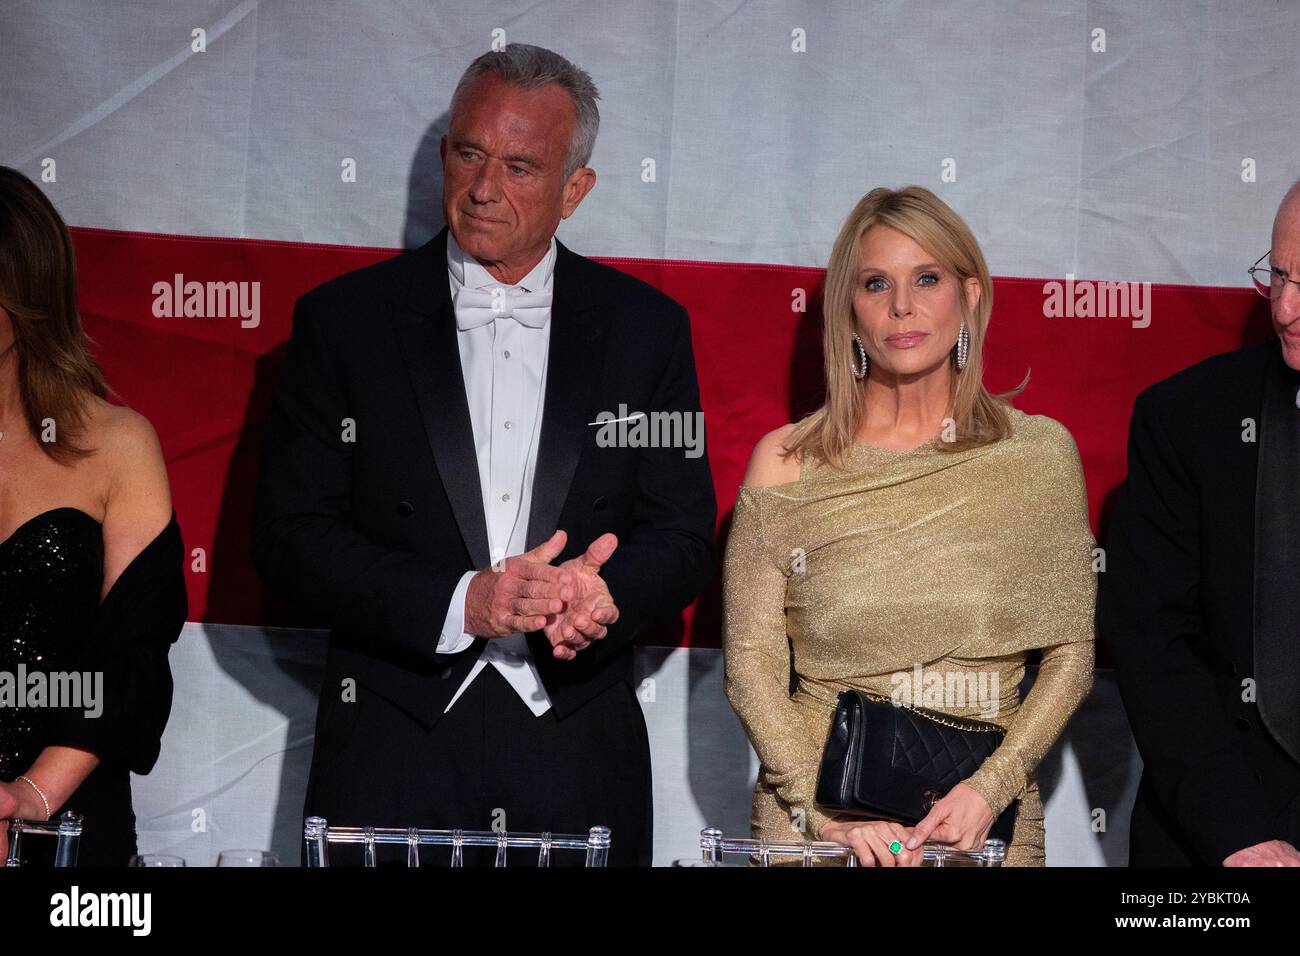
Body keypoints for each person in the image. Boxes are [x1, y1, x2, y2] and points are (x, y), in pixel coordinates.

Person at [252, 44, 715, 867]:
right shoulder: (341, 325)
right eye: (469, 153)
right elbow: (289, 542)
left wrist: (602, 596)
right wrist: (462, 603)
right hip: (389, 749)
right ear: (444, 154)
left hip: (578, 750)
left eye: (521, 166)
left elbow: (682, 537)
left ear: (577, 189)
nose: (484, 187)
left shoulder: (648, 332)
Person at [723, 185, 1095, 867]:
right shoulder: (785, 464)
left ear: (970, 296)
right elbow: (750, 665)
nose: (902, 306)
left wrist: (992, 787)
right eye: (875, 284)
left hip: (982, 824)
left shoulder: (1038, 455)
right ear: (850, 310)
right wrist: (823, 815)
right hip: (816, 821)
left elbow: (1071, 656)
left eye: (927, 278)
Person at [1098, 182, 1300, 867]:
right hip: (1220, 838)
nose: (1286, 308)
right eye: (1277, 274)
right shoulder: (1188, 420)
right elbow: (1153, 640)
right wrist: (1238, 832)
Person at [0, 165, 186, 866]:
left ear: (27, 292)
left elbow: (132, 655)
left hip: (73, 825)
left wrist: (30, 794)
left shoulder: (118, 445)